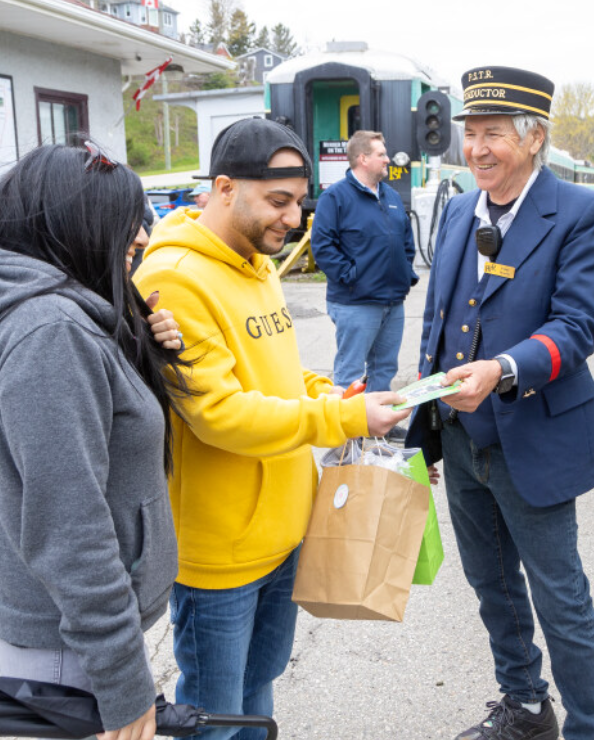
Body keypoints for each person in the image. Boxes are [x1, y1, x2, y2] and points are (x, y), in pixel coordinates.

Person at [132, 117, 408, 738]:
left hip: (283, 531)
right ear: (225, 188)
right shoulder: (175, 277)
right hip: (222, 552)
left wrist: (328, 391)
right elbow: (219, 414)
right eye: (278, 201)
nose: (293, 218)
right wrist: (342, 416)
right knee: (215, 715)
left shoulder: (254, 260)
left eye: (300, 202)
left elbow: (272, 373)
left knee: (257, 697)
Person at [0, 141, 189, 740]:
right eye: (126, 222)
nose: (141, 236)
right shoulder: (51, 332)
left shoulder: (58, 314)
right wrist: (123, 683)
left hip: (74, 632)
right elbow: (70, 530)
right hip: (71, 644)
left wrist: (142, 345)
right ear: (75, 225)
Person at [405, 66, 594, 740]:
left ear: (533, 138)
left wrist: (503, 368)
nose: (476, 149)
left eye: (492, 133)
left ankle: (592, 730)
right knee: (492, 586)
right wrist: (424, 430)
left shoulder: (581, 213)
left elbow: (577, 325)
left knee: (561, 599)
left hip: (532, 438)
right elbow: (439, 320)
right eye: (470, 134)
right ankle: (525, 707)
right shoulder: (459, 210)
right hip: (461, 436)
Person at [310, 130, 417, 436]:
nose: (387, 159)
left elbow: (406, 241)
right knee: (350, 372)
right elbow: (323, 247)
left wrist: (406, 273)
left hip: (392, 301)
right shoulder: (336, 197)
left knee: (385, 368)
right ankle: (347, 436)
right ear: (362, 158)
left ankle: (379, 425)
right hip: (355, 302)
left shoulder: (391, 196)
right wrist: (352, 277)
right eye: (381, 154)